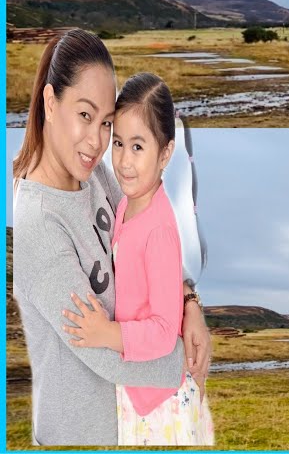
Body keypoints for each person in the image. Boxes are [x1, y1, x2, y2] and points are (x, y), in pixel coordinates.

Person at [11, 28, 211, 445]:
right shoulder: (38, 221)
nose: (98, 142)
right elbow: (101, 351)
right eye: (85, 116)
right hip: (84, 435)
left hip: (134, 423)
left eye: (106, 123)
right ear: (50, 102)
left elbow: (149, 247)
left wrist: (189, 302)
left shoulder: (96, 174)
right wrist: (185, 361)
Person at [63, 72, 215, 445]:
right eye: (118, 143)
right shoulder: (126, 207)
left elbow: (164, 333)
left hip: (162, 407)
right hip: (139, 390)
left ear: (165, 153)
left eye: (137, 147)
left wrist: (107, 334)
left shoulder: (159, 229)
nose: (124, 161)